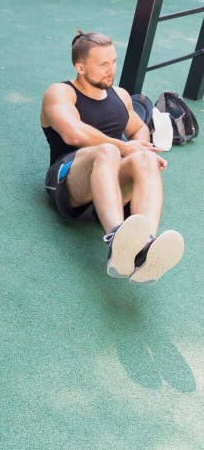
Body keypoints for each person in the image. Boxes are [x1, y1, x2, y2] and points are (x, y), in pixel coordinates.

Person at [40, 31, 184, 284]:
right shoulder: (61, 92)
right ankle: (117, 239)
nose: (111, 70)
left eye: (114, 61)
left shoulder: (121, 95)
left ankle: (144, 250)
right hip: (69, 183)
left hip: (110, 193)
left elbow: (138, 127)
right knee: (108, 151)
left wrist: (141, 147)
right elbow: (73, 133)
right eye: (103, 64)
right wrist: (123, 147)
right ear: (80, 67)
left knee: (145, 159)